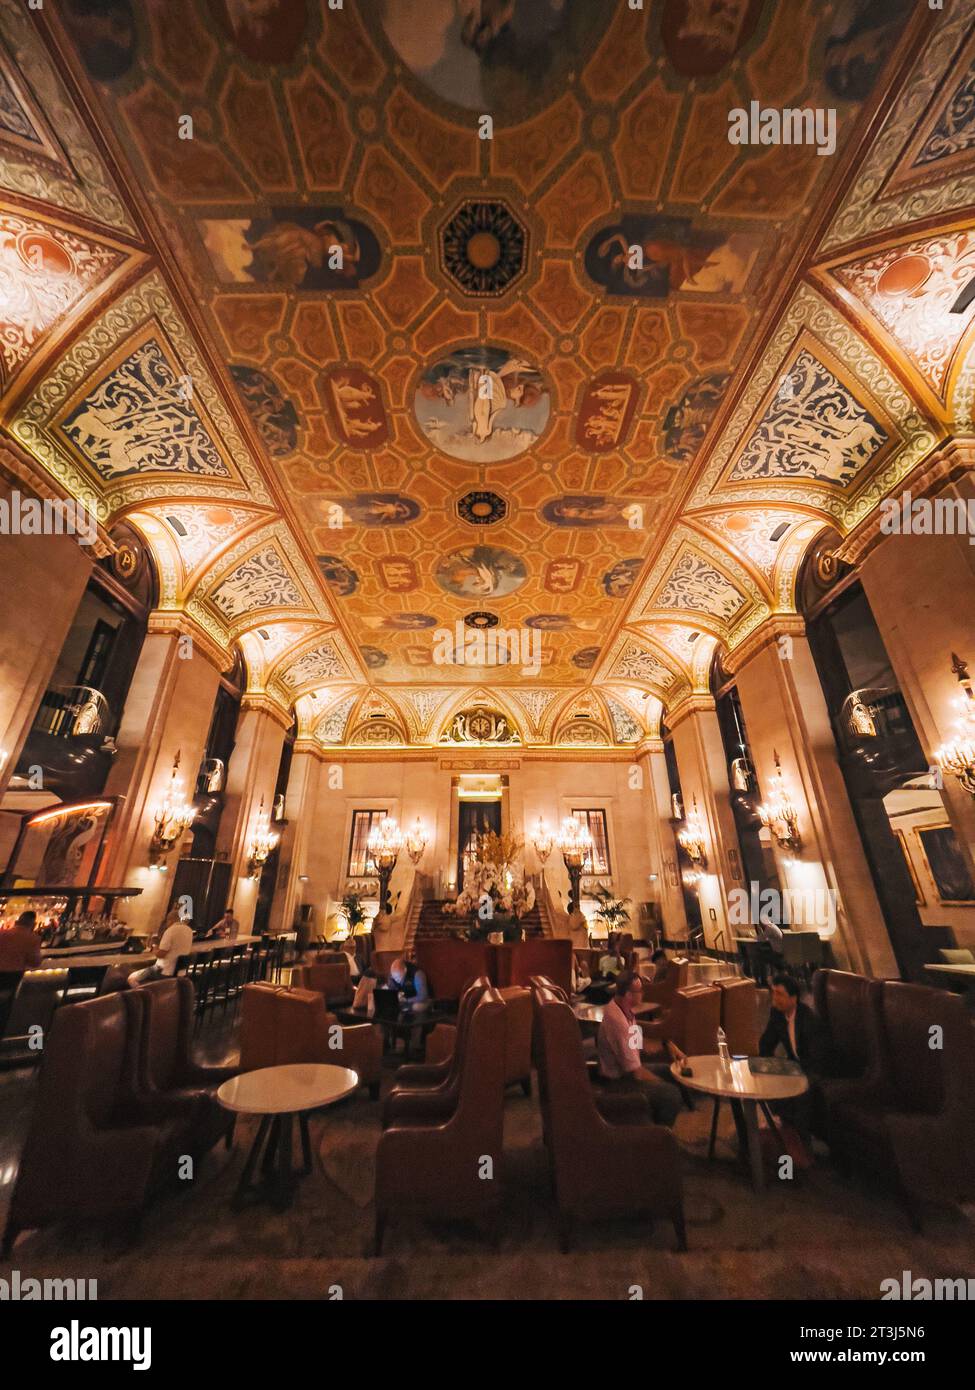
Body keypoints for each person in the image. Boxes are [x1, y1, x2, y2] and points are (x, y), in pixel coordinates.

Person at [596, 971, 682, 1127]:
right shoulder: (618, 1022)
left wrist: (666, 1044)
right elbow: (635, 1072)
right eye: (640, 991)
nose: (643, 993)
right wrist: (659, 1083)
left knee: (673, 1071)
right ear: (629, 994)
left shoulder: (625, 1009)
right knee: (671, 1094)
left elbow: (638, 1046)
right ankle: (657, 1139)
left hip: (627, 1072)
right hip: (618, 1080)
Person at [759, 973, 829, 1156]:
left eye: (780, 994)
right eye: (773, 993)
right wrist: (766, 1067)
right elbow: (766, 1043)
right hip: (795, 1066)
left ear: (793, 998)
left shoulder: (808, 1020)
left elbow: (817, 1059)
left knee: (799, 1092)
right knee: (768, 1084)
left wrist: (793, 1073)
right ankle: (784, 1132)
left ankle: (802, 1145)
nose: (775, 998)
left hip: (816, 1069)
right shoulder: (777, 1014)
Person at [128, 910, 194, 986]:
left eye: (167, 921)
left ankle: (147, 996)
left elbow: (161, 954)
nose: (167, 924)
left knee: (131, 978)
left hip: (164, 971)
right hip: (181, 972)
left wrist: (154, 948)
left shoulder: (170, 931)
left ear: (170, 920)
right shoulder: (189, 930)